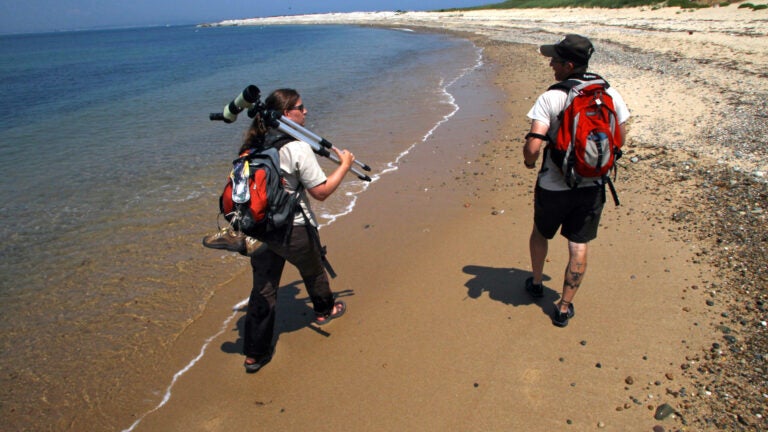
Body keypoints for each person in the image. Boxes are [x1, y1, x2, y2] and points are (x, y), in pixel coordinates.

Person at [205, 88, 354, 372]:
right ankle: (326, 310)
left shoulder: (252, 145)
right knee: (313, 269)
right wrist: (345, 165)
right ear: (286, 114)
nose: (306, 110)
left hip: (259, 230)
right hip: (293, 228)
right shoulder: (297, 147)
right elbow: (321, 192)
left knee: (263, 289)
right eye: (300, 106)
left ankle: (254, 354)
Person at [522, 35, 630, 327]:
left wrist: (529, 162)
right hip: (593, 185)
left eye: (555, 61)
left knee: (540, 232)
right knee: (578, 244)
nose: (551, 65)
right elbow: (621, 135)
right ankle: (564, 307)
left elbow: (534, 146)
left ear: (568, 64)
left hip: (554, 186)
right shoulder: (609, 93)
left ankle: (535, 282)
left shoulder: (552, 97)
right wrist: (600, 163)